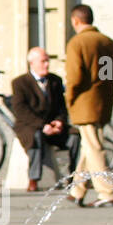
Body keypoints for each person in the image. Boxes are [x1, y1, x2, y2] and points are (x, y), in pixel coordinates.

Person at [63, 4, 113, 207]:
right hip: (104, 101)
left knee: (93, 146)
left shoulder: (77, 43)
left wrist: (70, 98)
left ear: (75, 21)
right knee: (89, 145)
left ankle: (107, 192)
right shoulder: (107, 42)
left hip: (84, 103)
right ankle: (77, 189)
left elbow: (74, 77)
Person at [10, 48, 80, 191]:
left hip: (52, 124)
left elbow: (62, 107)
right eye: (43, 61)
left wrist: (59, 121)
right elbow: (20, 110)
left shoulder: (55, 81)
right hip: (30, 125)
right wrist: (42, 126)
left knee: (74, 136)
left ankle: (73, 176)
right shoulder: (20, 83)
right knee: (35, 137)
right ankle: (33, 179)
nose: (46, 65)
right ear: (32, 63)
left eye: (47, 61)